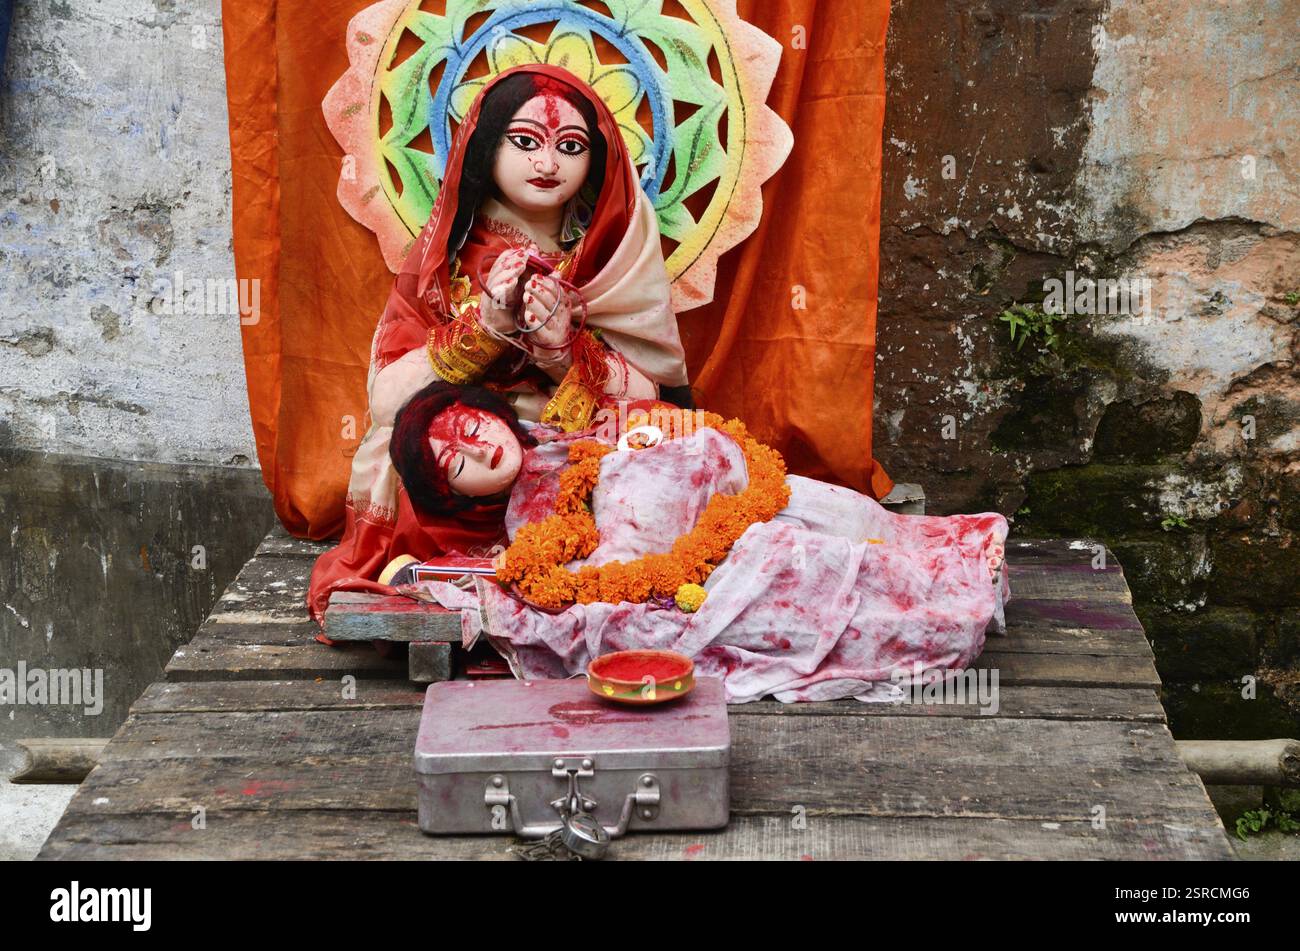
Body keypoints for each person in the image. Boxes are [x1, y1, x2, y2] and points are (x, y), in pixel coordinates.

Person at [308, 63, 690, 622]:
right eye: (526, 141)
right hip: (472, 459)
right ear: (486, 146)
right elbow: (386, 400)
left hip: (573, 445)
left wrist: (565, 352)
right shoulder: (444, 257)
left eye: (571, 145)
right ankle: (471, 571)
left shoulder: (613, 260)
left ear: (597, 161)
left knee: (654, 450)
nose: (547, 163)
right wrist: (482, 331)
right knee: (403, 438)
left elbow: (655, 398)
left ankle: (556, 570)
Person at [388, 382, 1011, 704]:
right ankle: (937, 600)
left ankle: (942, 557)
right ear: (458, 496)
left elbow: (651, 420)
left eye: (469, 427)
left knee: (824, 509)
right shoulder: (531, 529)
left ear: (488, 409)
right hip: (693, 561)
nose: (476, 448)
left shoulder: (568, 427)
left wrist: (674, 441)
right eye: (456, 465)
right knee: (792, 562)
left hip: (734, 496)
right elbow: (605, 566)